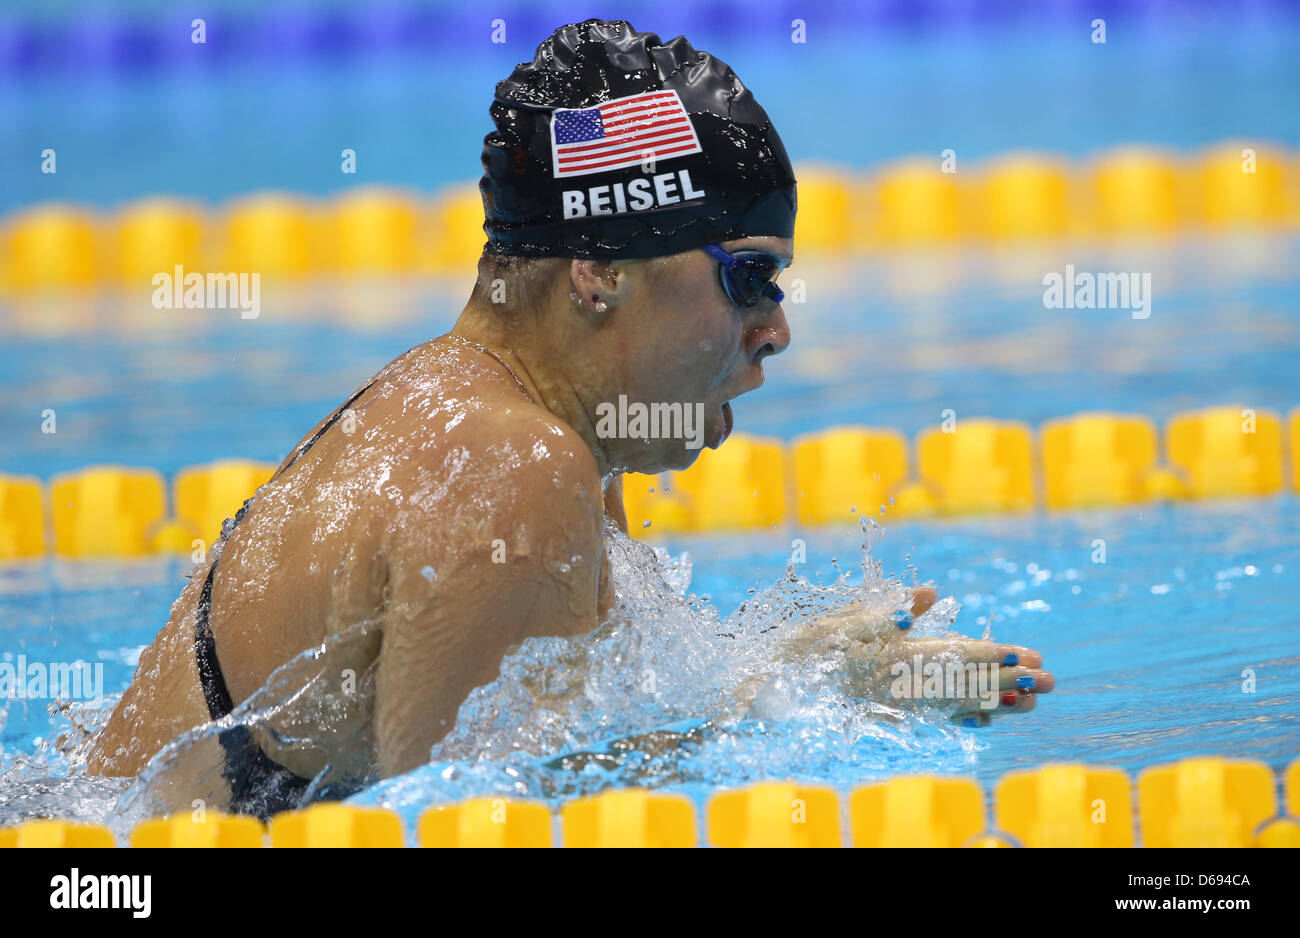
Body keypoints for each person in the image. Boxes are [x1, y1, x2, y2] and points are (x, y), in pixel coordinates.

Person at [86, 19, 1052, 818]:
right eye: (748, 278)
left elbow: (553, 758)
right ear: (598, 270)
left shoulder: (512, 429)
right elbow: (467, 822)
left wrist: (800, 672)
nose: (776, 330)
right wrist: (808, 705)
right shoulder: (513, 466)